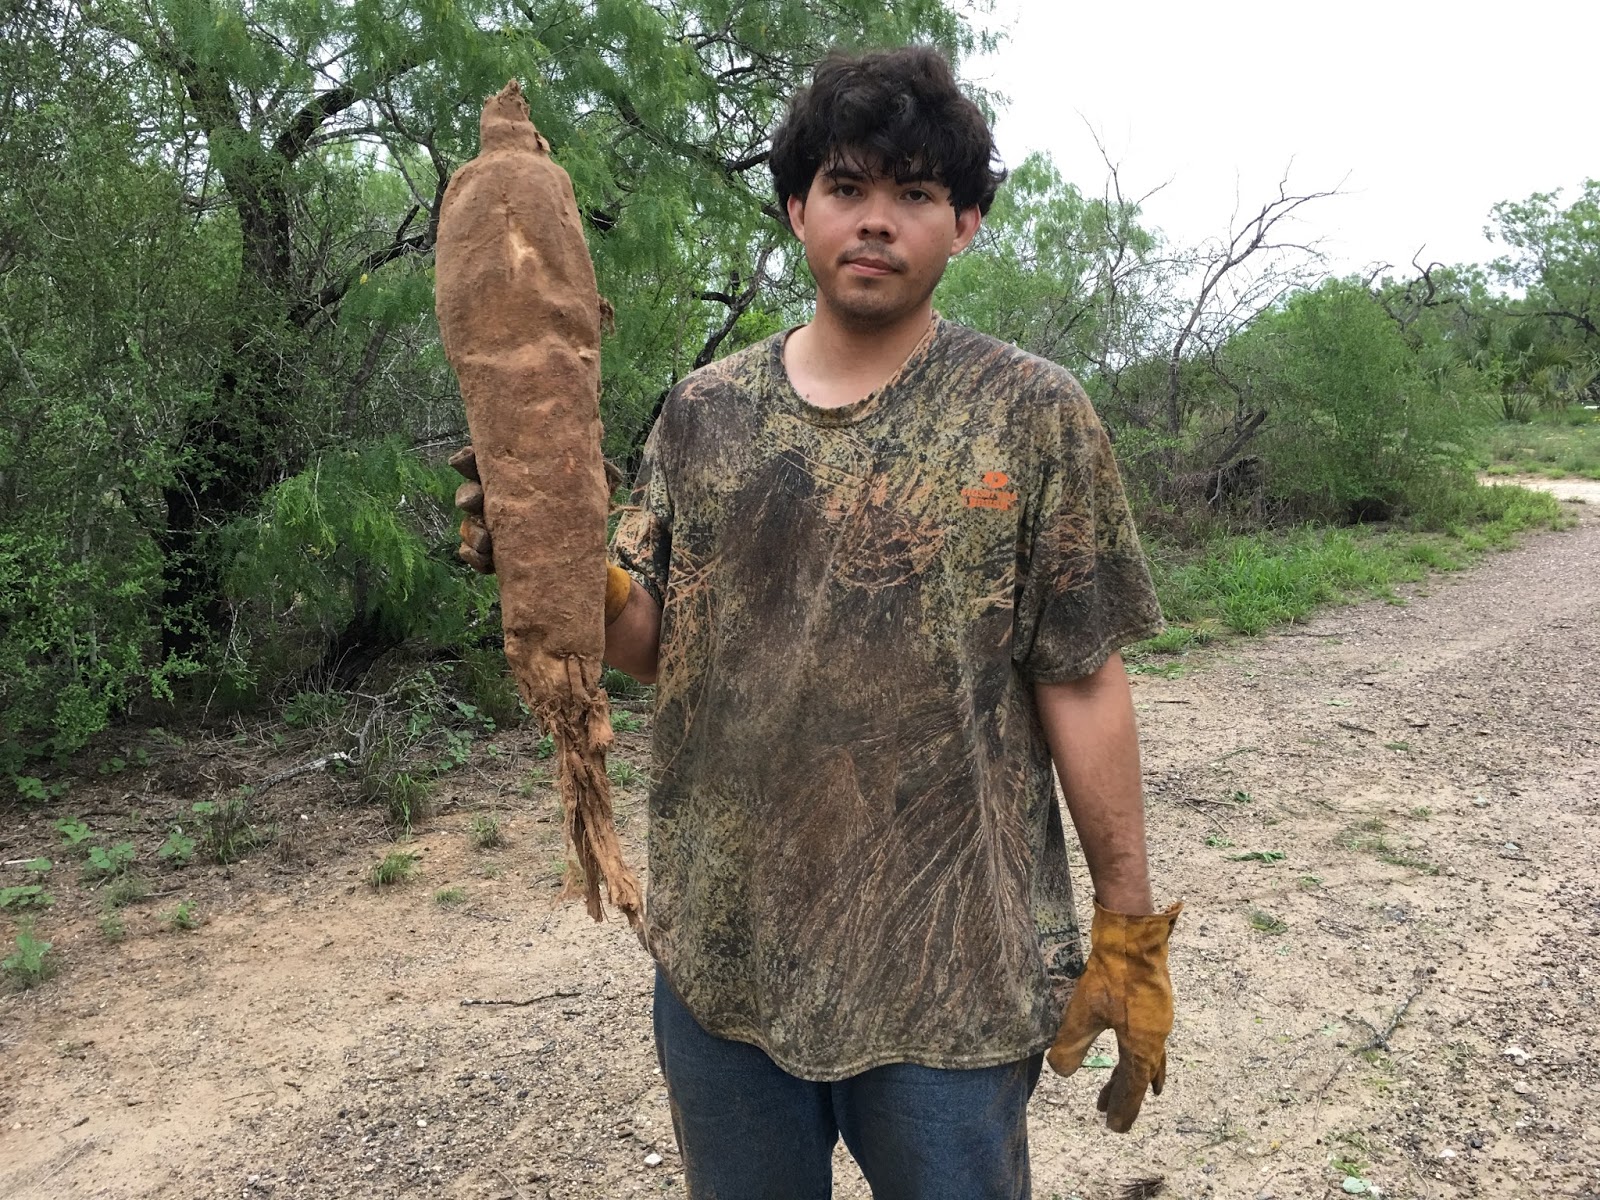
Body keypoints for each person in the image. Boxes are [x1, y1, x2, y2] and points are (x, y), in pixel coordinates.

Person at [453, 45, 1181, 1200]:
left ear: (968, 223)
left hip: (955, 979)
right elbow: (653, 641)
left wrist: (1129, 927)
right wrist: (563, 569)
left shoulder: (1030, 414)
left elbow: (1080, 675)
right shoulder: (706, 413)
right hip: (727, 968)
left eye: (916, 193)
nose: (877, 221)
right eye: (847, 188)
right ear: (798, 209)